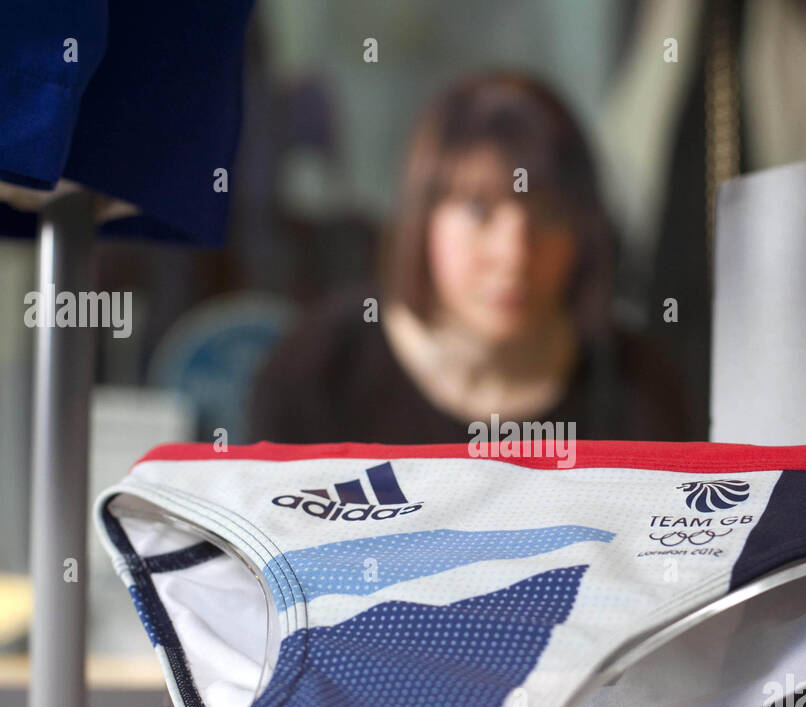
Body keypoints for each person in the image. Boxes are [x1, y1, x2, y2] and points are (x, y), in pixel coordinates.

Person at [247, 72, 692, 445]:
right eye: (480, 210)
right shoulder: (317, 373)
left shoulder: (640, 389)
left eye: (549, 215)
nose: (514, 254)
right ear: (422, 218)